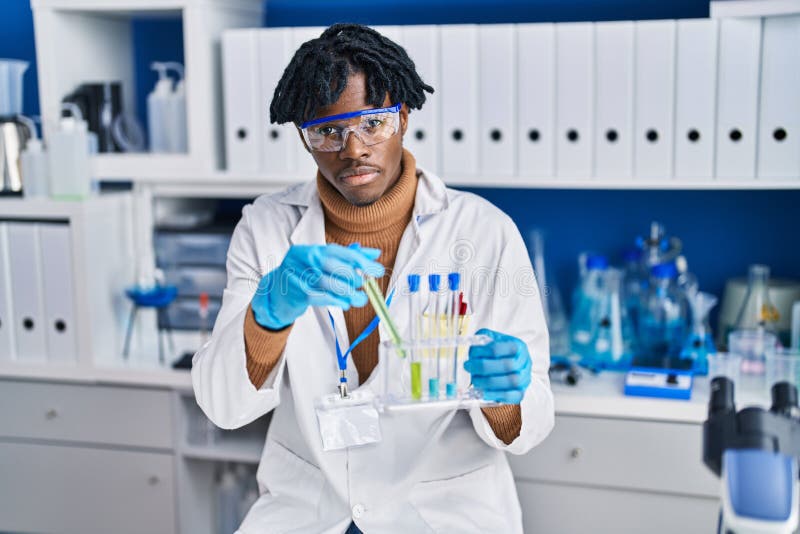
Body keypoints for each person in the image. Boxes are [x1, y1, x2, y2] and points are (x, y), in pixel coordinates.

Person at [192, 23, 554, 534]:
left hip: (445, 515)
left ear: (403, 117)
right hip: (308, 510)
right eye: (327, 131)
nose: (352, 148)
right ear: (304, 138)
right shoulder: (268, 229)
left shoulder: (484, 232)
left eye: (373, 123)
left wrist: (507, 394)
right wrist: (268, 312)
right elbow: (223, 405)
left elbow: (530, 425)